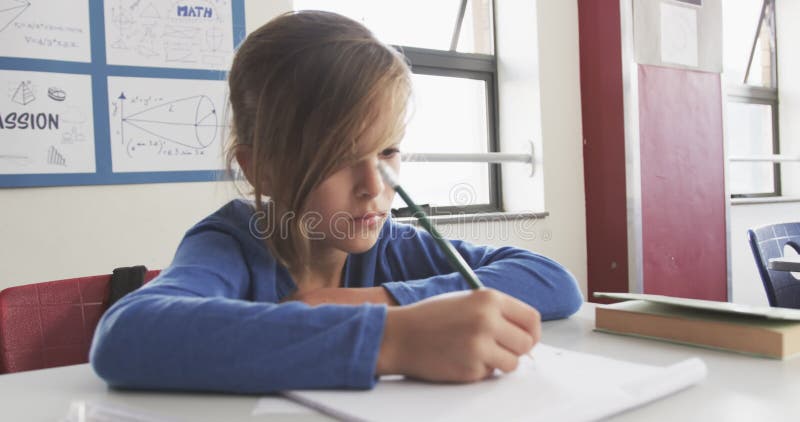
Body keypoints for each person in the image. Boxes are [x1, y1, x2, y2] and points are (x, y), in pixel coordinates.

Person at [90, 10, 583, 394]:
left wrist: (375, 300)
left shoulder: (389, 244)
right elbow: (126, 335)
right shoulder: (233, 244)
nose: (374, 184)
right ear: (260, 166)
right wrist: (393, 338)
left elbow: (554, 282)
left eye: (387, 150)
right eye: (337, 157)